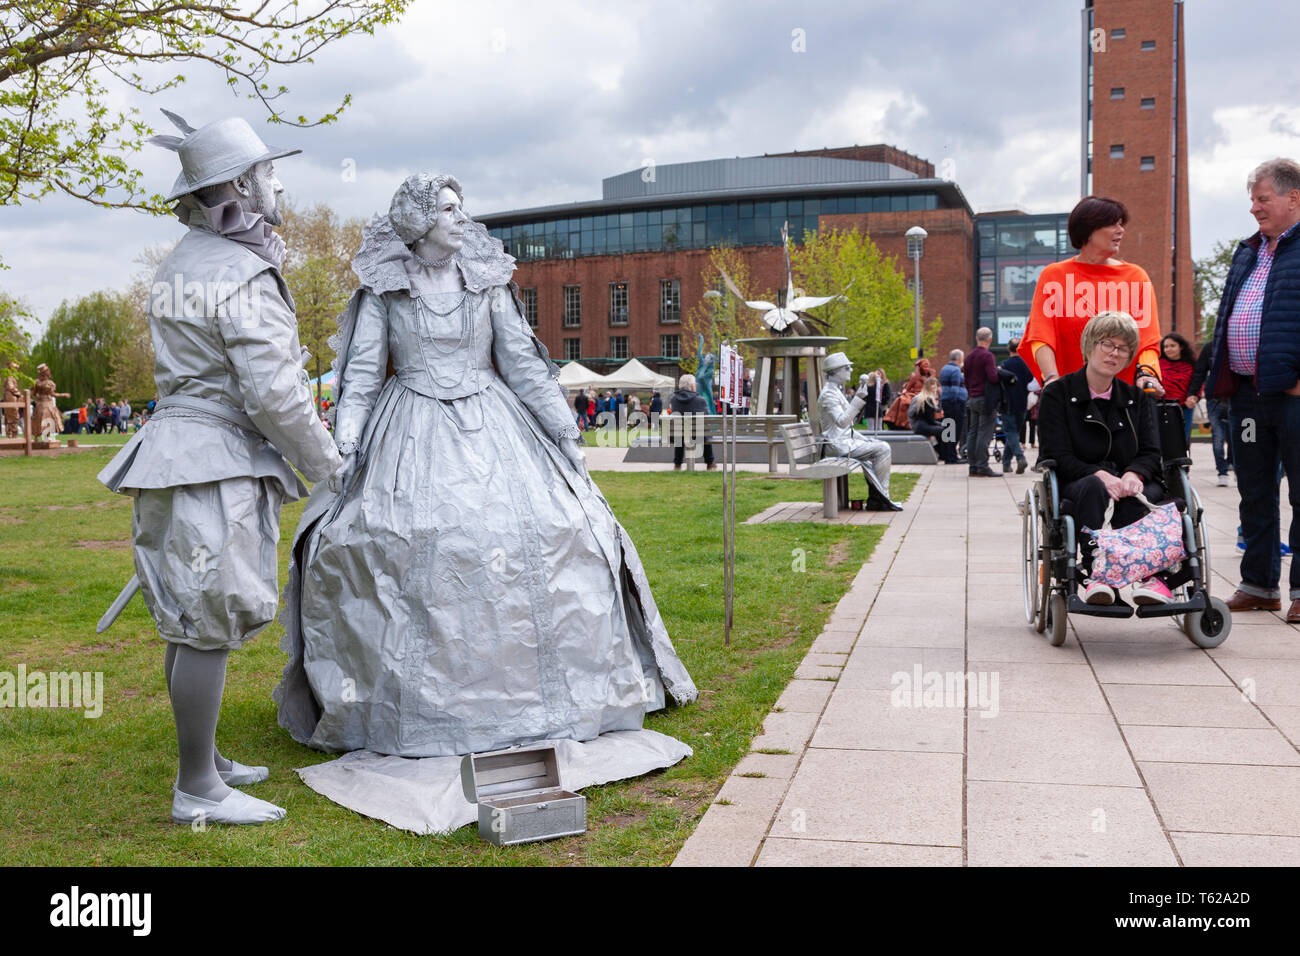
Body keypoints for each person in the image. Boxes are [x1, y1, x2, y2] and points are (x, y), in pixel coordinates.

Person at [275, 173, 697, 758]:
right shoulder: (385, 290)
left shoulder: (487, 281)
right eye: (449, 209)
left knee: (555, 530)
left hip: (497, 429)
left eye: (461, 207)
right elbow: (365, 377)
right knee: (398, 541)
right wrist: (346, 443)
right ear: (420, 223)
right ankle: (422, 706)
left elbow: (522, 364)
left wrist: (563, 432)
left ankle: (536, 692)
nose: (461, 218)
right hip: (410, 431)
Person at [97, 110, 341, 825]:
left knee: (187, 619)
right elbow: (272, 388)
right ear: (238, 182)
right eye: (266, 171)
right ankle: (197, 784)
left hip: (174, 454)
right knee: (206, 620)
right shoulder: (239, 269)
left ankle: (205, 760)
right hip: (209, 460)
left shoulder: (182, 260)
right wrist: (325, 460)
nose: (277, 182)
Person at [1204, 157, 1300, 621]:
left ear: (1292, 197)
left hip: (1293, 396)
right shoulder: (1248, 251)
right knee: (1255, 491)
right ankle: (1260, 585)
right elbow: (1227, 317)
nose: (1254, 209)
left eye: (1262, 199)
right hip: (1246, 395)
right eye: (1253, 200)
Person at [1037, 311, 1171, 606]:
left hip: (1128, 477)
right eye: (1107, 344)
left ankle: (1148, 573)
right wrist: (1099, 474)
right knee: (1095, 490)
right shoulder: (1058, 394)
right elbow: (1055, 454)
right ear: (1089, 345)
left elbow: (1151, 452)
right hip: (1080, 479)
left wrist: (1133, 474)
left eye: (1123, 348)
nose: (1114, 353)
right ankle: (1097, 570)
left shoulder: (1136, 399)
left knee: (1142, 493)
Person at [1019, 195, 1164, 394]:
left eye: (1121, 224)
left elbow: (1147, 339)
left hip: (1123, 398)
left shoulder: (1136, 276)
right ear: (1088, 228)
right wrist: (1052, 379)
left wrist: (1148, 374)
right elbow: (1041, 337)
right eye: (1113, 224)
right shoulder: (1054, 276)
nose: (1121, 230)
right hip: (1069, 396)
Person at [818, 352, 900, 510]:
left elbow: (849, 425)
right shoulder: (829, 394)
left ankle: (878, 498)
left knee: (877, 445)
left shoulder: (835, 391)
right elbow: (842, 422)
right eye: (847, 367)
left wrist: (864, 438)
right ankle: (879, 499)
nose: (850, 370)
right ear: (835, 371)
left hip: (842, 442)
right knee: (883, 448)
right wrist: (859, 398)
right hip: (837, 446)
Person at [963, 328, 1011, 476]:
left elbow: (966, 379)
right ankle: (983, 466)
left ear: (977, 338)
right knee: (984, 434)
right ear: (989, 340)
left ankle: (973, 466)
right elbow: (993, 377)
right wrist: (999, 372)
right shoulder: (987, 356)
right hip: (985, 399)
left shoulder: (969, 356)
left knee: (973, 433)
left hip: (972, 398)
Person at [1188, 340, 1231, 485]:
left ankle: (1238, 468)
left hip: (1238, 400)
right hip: (1215, 400)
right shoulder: (1210, 347)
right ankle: (1222, 472)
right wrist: (1193, 393)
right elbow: (1199, 372)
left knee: (1242, 437)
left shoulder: (1240, 344)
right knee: (1218, 438)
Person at [669, 372, 715, 470]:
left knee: (680, 434)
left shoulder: (674, 399)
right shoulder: (701, 400)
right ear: (692, 386)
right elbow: (706, 419)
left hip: (678, 435)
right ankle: (710, 463)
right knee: (704, 432)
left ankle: (677, 464)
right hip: (698, 435)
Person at [1157, 333, 1197, 444]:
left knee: (1181, 441)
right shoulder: (1158, 363)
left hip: (1183, 408)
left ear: (1181, 347)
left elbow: (1197, 383)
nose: (1168, 349)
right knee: (1162, 440)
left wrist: (1194, 397)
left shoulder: (1190, 365)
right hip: (1161, 407)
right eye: (1165, 347)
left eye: (1172, 346)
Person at [999, 338, 1032, 474]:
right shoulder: (1027, 364)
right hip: (1022, 403)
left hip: (1007, 404)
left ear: (1008, 349)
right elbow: (1031, 382)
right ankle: (1006, 463)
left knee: (1010, 432)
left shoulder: (1003, 365)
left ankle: (1020, 457)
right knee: (1014, 433)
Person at [908, 376, 956, 463]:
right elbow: (929, 419)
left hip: (920, 425)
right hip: (921, 426)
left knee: (945, 427)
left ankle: (946, 454)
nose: (936, 387)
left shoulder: (923, 397)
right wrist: (941, 424)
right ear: (929, 386)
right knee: (946, 430)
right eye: (933, 385)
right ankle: (949, 455)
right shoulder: (927, 399)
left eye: (936, 385)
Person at [883, 358, 932, 429]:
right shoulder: (915, 377)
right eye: (924, 366)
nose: (926, 368)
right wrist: (904, 391)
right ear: (920, 367)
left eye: (927, 366)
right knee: (903, 401)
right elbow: (908, 388)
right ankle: (899, 421)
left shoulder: (929, 377)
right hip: (914, 394)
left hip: (925, 395)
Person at [938, 350, 967, 462]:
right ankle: (952, 456)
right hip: (955, 403)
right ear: (959, 358)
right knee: (956, 429)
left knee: (948, 428)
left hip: (946, 401)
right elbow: (955, 388)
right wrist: (956, 401)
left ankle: (947, 454)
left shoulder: (944, 368)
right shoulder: (955, 370)